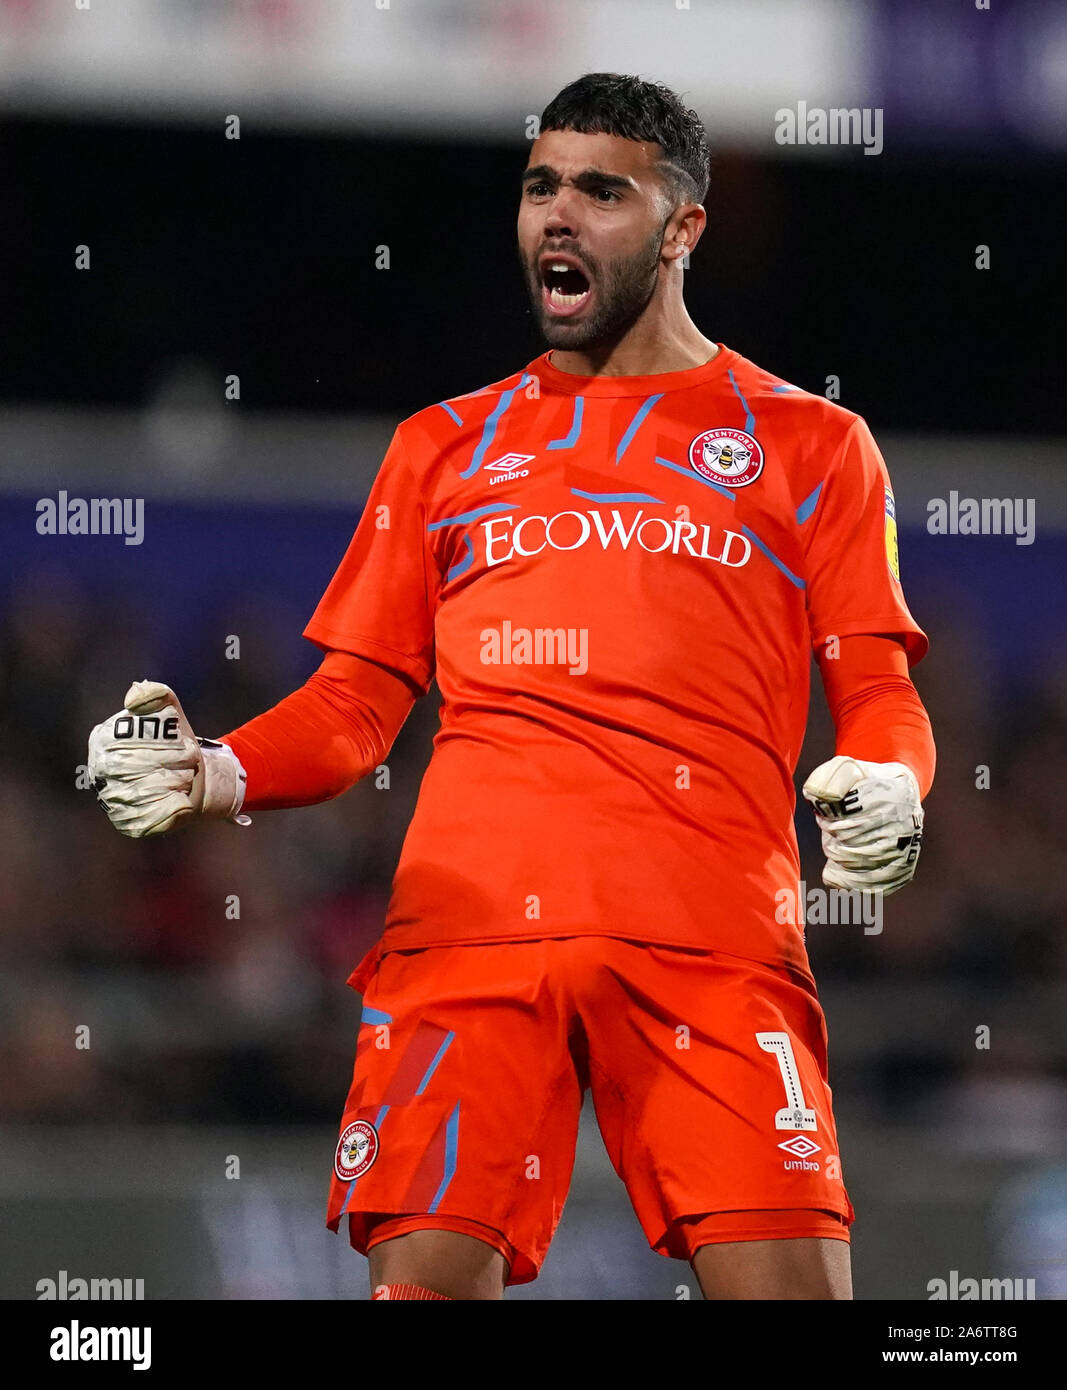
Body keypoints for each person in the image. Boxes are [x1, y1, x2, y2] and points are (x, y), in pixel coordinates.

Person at [88, 73, 934, 1301]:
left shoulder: (809, 444)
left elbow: (878, 691)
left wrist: (892, 784)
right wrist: (211, 770)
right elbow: (351, 708)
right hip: (468, 933)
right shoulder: (443, 447)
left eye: (601, 190)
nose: (557, 215)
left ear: (681, 228)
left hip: (709, 938)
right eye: (540, 185)